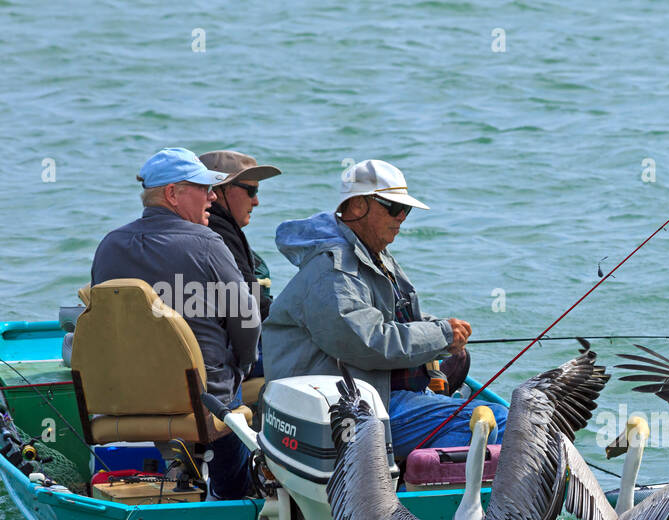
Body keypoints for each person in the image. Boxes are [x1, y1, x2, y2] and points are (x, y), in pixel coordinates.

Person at [264, 159, 506, 456]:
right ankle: (416, 490)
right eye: (393, 207)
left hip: (377, 392)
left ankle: (419, 481)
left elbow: (396, 317)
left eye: (406, 209)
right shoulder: (333, 270)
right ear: (356, 206)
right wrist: (441, 335)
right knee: (493, 421)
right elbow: (367, 342)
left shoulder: (373, 254)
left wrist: (443, 333)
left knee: (495, 422)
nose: (402, 216)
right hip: (347, 410)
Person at [91, 147, 259, 499]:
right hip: (201, 401)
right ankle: (233, 495)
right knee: (236, 377)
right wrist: (240, 367)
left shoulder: (109, 246)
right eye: (204, 188)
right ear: (172, 193)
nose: (213, 197)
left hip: (128, 398)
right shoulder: (208, 244)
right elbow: (247, 320)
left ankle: (178, 469)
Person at [198, 150, 282, 376]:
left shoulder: (221, 229)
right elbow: (249, 309)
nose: (256, 201)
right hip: (225, 358)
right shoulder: (217, 234)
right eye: (251, 191)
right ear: (219, 190)